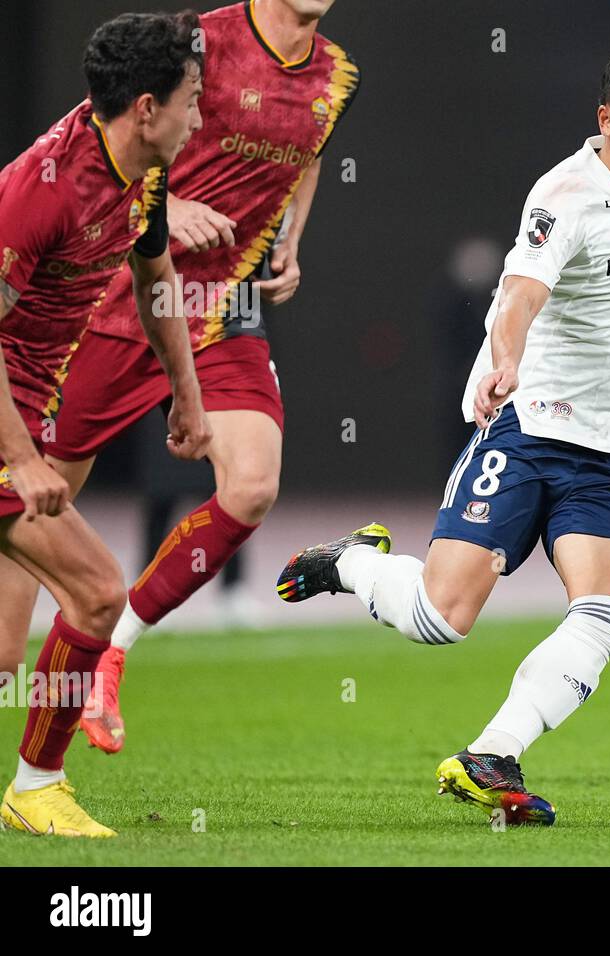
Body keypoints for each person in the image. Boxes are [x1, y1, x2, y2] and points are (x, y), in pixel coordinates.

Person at [277, 43, 610, 826]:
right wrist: (504, 363)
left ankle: (491, 754)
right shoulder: (565, 195)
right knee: (442, 618)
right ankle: (355, 565)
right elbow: (518, 298)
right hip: (529, 426)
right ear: (607, 121)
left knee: (608, 606)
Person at [0, 0, 360, 756]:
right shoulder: (197, 39)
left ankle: (112, 654)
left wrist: (295, 231)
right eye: (188, 104)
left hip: (214, 303)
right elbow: (111, 119)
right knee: (34, 508)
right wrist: (168, 203)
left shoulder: (336, 76)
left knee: (252, 485)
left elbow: (312, 149)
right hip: (115, 301)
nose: (195, 116)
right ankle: (14, 677)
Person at [0, 11, 211, 837]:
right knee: (95, 592)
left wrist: (185, 394)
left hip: (22, 411)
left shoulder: (142, 172)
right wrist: (21, 458)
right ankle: (36, 787)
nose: (201, 120)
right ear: (149, 106)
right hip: (8, 425)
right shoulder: (44, 189)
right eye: (193, 102)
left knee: (6, 659)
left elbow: (155, 275)